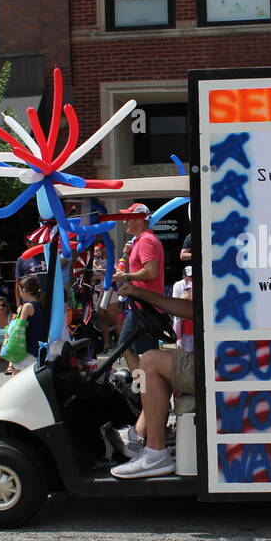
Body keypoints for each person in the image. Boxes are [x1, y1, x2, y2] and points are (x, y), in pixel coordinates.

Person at [111, 282, 195, 479]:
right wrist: (141, 293)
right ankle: (138, 432)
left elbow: (151, 271)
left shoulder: (147, 248)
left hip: (218, 363)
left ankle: (153, 451)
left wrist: (136, 288)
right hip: (142, 306)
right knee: (146, 360)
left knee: (148, 360)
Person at [112, 203, 165, 370]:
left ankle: (145, 389)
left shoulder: (146, 241)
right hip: (142, 306)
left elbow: (151, 272)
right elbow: (141, 270)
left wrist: (125, 276)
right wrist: (127, 258)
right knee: (133, 349)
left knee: (133, 350)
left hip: (145, 307)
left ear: (140, 220)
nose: (124, 221)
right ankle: (144, 388)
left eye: (128, 218)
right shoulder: (142, 241)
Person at [14, 274, 50, 370]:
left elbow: (19, 326)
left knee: (16, 378)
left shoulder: (27, 306)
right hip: (40, 348)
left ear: (24, 290)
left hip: (29, 350)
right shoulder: (42, 304)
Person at [171, 266, 195, 352]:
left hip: (195, 322)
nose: (193, 278)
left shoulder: (200, 283)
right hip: (184, 322)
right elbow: (175, 304)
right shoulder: (178, 285)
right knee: (186, 351)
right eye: (190, 276)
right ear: (184, 276)